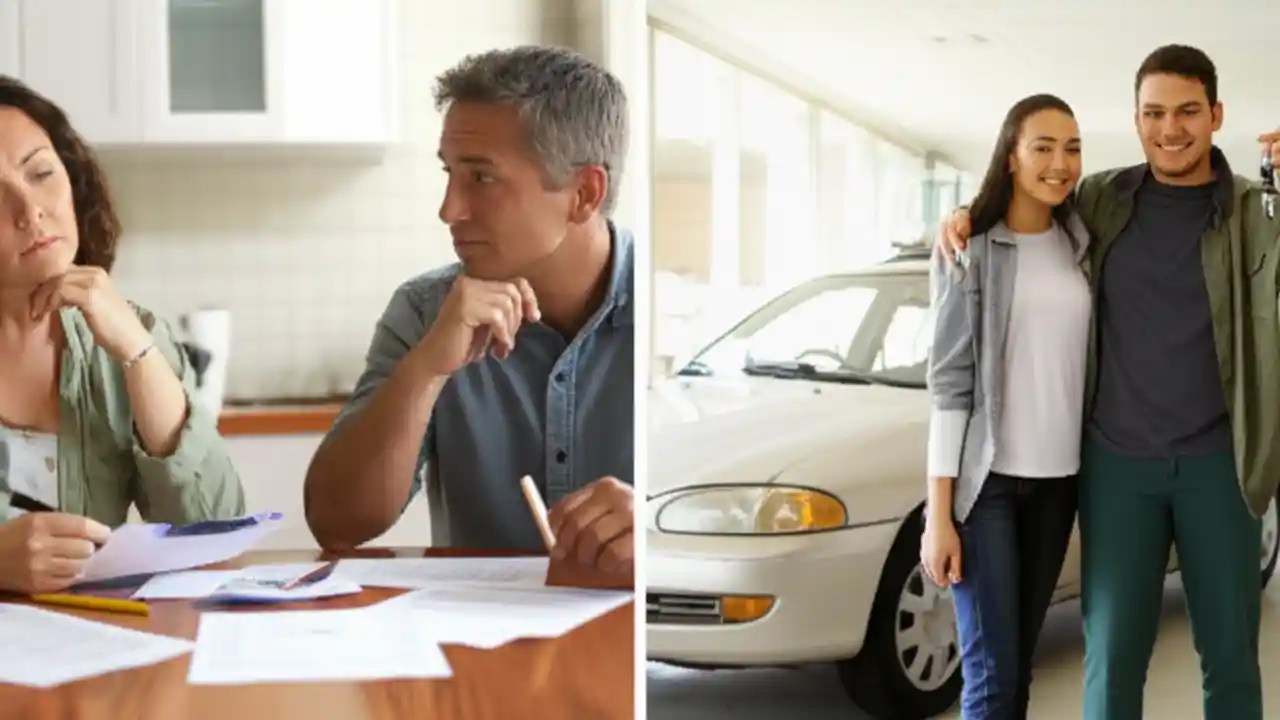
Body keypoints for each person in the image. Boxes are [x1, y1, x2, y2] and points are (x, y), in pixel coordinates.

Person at [936, 45, 1280, 720]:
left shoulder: (1253, 211)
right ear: (1135, 118)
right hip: (1117, 468)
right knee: (1113, 659)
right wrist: (967, 216)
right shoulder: (1099, 199)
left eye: (1187, 111)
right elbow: (1026, 212)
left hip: (1221, 467)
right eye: (1153, 113)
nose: (1169, 129)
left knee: (1232, 658)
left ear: (1216, 115)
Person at [303, 45, 635, 575]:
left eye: (481, 178)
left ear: (583, 193)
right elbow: (337, 526)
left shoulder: (674, 320)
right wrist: (426, 369)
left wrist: (654, 528)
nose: (448, 210)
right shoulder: (426, 312)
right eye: (449, 173)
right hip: (480, 628)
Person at [0, 76, 245, 594]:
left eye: (41, 174)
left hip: (92, 633)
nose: (30, 211)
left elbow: (215, 531)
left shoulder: (132, 332)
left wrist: (138, 350)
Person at [922, 94, 1089, 719]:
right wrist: (938, 516)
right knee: (990, 680)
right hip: (986, 489)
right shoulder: (972, 249)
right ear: (1011, 157)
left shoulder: (1082, 243)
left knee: (1016, 672)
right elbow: (949, 386)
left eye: (1071, 149)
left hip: (1059, 485)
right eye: (1042, 148)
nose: (1059, 163)